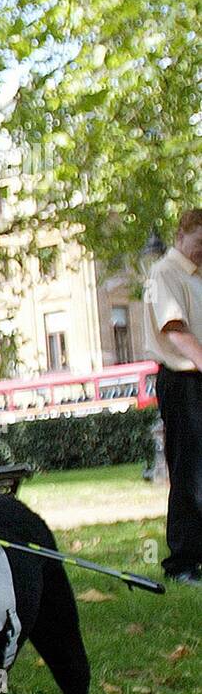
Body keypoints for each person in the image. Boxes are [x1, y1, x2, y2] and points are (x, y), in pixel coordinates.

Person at [143, 209, 202, 586]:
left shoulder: (195, 275)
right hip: (184, 382)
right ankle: (181, 562)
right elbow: (176, 330)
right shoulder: (164, 272)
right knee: (189, 471)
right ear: (182, 234)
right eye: (200, 242)